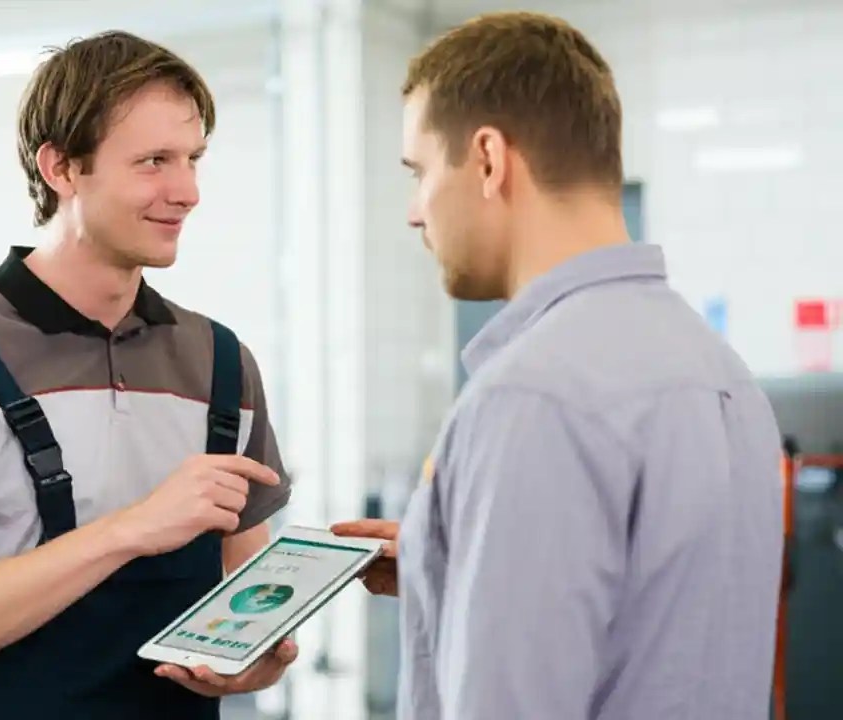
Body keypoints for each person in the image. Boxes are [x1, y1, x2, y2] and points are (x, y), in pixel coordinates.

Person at [332, 12, 784, 720]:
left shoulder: (532, 397)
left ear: (488, 160)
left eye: (419, 173)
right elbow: (657, 640)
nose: (416, 212)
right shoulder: (722, 371)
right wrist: (441, 564)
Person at [0, 30, 296, 720]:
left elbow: (246, 600)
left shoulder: (221, 361)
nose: (186, 192)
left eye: (192, 160)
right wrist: (133, 528)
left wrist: (256, 659)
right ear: (61, 168)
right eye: (153, 162)